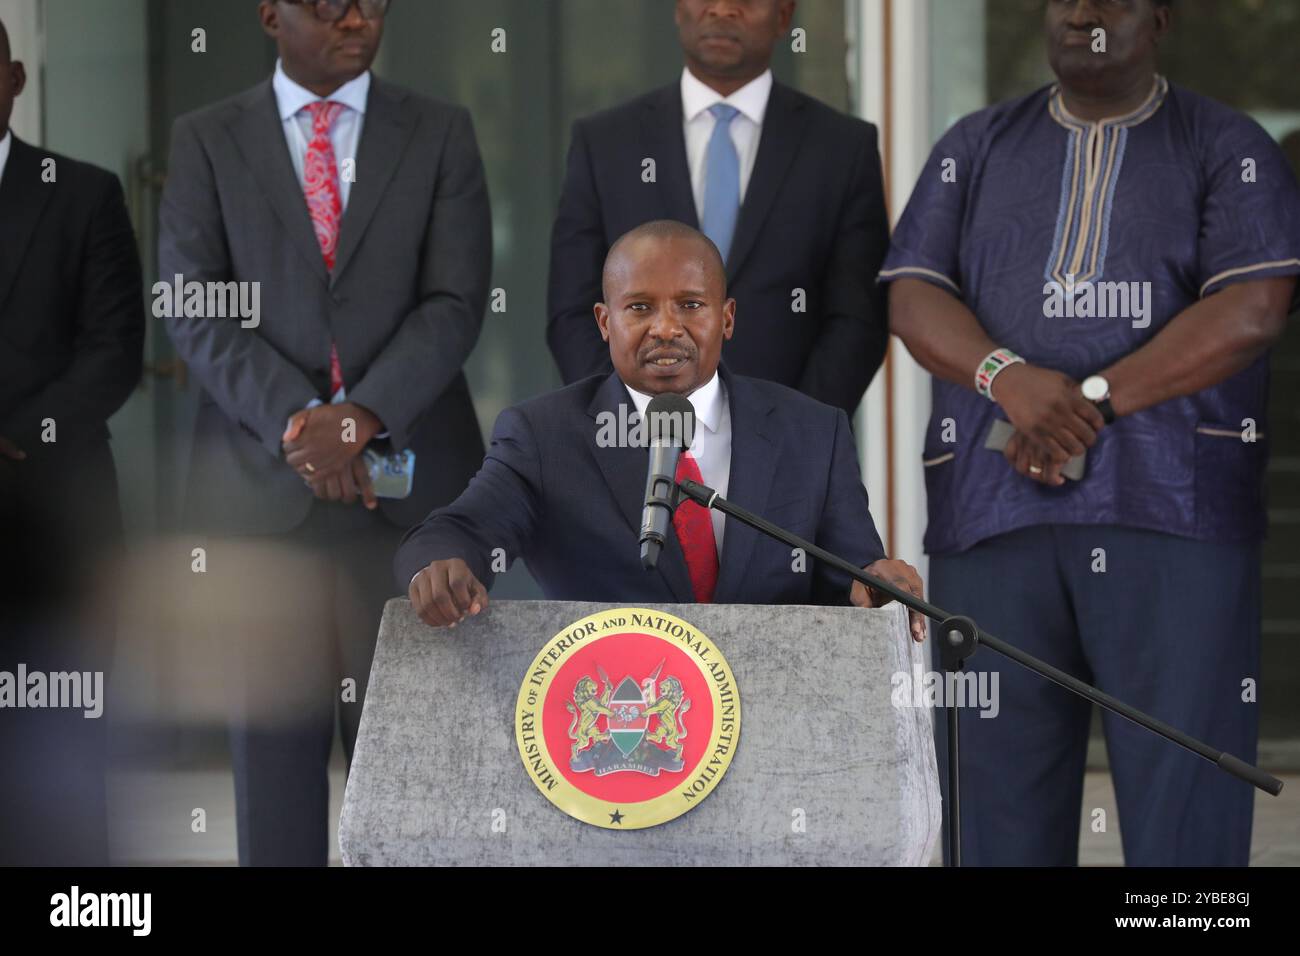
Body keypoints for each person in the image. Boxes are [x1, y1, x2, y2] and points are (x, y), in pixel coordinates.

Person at [883, 0, 1300, 866]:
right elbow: (912, 294)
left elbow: (1253, 308)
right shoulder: (975, 145)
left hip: (1172, 513)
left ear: (1162, 18)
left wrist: (1092, 402)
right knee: (991, 810)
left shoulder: (1228, 147)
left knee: (1184, 809)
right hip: (993, 518)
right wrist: (1009, 379)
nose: (1083, 13)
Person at [159, 0, 491, 865]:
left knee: (415, 771)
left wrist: (363, 417)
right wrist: (301, 424)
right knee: (271, 768)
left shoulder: (440, 130)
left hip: (410, 498)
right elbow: (194, 308)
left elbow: (456, 302)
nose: (355, 17)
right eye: (327, 3)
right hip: (261, 494)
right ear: (271, 14)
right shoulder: (206, 137)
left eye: (371, 3)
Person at [399, 221, 925, 642]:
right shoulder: (544, 435)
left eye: (691, 305)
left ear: (727, 318)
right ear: (606, 323)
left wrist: (874, 586)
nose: (667, 328)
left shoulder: (812, 432)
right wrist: (441, 567)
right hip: (613, 729)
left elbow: (854, 575)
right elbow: (460, 532)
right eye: (640, 307)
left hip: (780, 735)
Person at [547, 0, 889, 418]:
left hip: (789, 452)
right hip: (633, 438)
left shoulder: (841, 147)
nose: (723, 9)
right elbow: (572, 309)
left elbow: (857, 320)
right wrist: (629, 416)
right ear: (677, 9)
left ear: (784, 16)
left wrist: (794, 435)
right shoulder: (605, 142)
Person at [0, 16, 145, 864]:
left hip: (58, 523)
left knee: (62, 765)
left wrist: (17, 437)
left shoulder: (82, 194)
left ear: (14, 79)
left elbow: (113, 352)